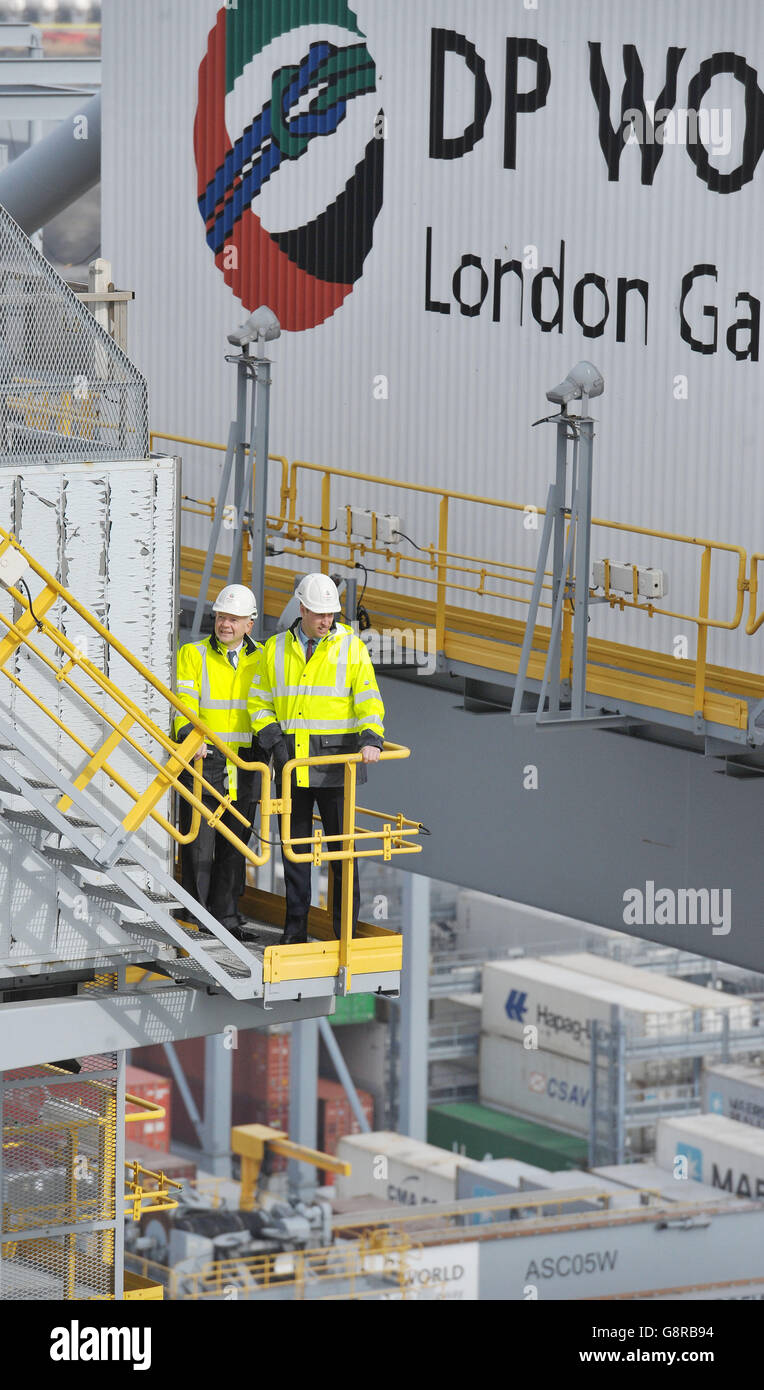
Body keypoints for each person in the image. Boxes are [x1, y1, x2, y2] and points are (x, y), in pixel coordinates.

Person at [248, 572, 385, 944]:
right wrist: (275, 742)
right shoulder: (275, 648)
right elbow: (258, 702)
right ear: (303, 609)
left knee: (343, 851)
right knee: (295, 852)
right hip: (291, 762)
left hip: (338, 765)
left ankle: (345, 934)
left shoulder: (351, 647)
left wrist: (371, 738)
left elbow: (368, 699)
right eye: (320, 614)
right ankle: (295, 933)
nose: (327, 621)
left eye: (332, 614)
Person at [173, 584, 266, 938]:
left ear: (249, 624)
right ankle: (196, 919)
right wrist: (191, 738)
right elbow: (184, 705)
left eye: (233, 619)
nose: (224, 623)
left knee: (235, 845)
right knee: (199, 843)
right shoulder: (193, 654)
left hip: (245, 764)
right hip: (204, 759)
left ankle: (226, 918)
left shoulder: (262, 659)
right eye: (221, 617)